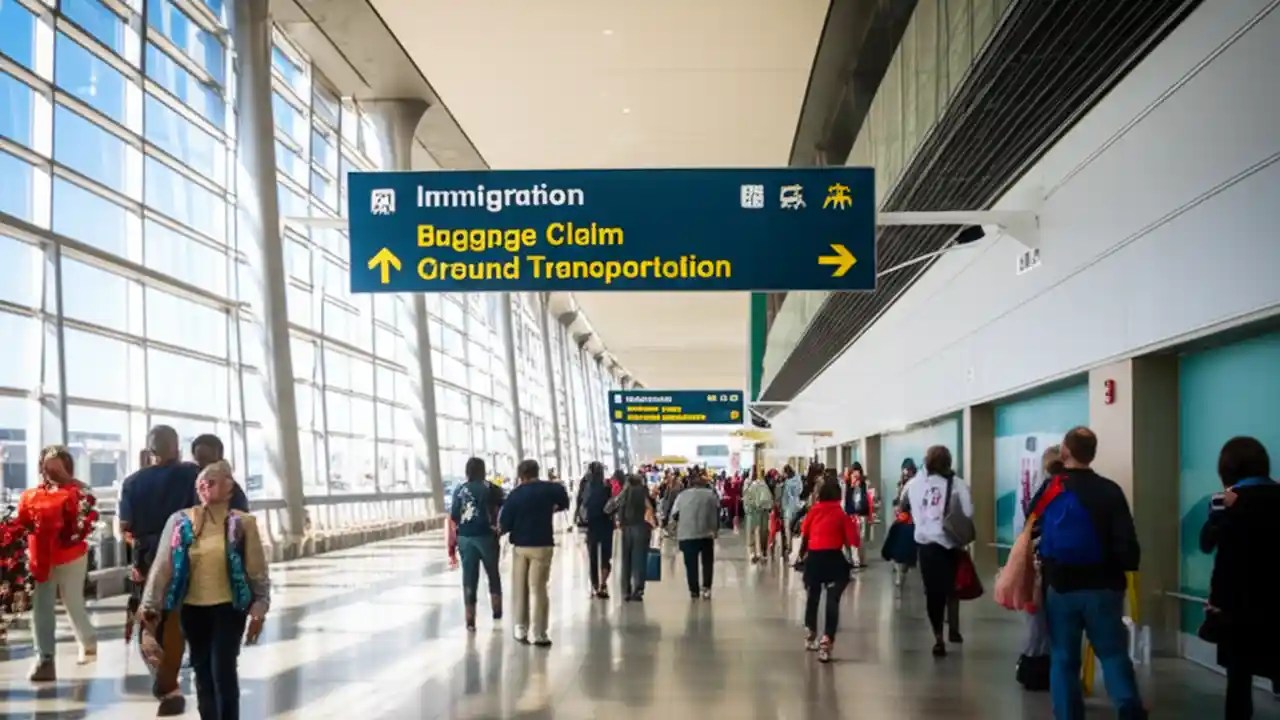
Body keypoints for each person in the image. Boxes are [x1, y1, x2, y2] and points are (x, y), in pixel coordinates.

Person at [121, 426, 247, 715]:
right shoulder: (194, 475)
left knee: (148, 623)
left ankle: (166, 685)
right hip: (190, 556)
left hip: (146, 556)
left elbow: (124, 528)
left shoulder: (132, 482)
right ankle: (176, 683)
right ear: (178, 448)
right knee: (177, 619)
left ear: (149, 450)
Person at [140, 460, 269, 720]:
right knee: (202, 672)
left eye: (211, 482)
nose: (203, 486)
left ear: (229, 488)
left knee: (223, 670)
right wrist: (149, 604)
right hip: (192, 609)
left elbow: (257, 570)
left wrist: (259, 607)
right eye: (200, 483)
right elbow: (163, 565)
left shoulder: (243, 523)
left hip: (229, 608)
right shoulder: (180, 521)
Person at [1031, 426, 1144, 719]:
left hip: (1061, 587)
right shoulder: (1110, 490)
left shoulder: (1052, 488)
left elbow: (1031, 530)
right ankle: (1128, 708)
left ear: (1065, 451)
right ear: (1093, 453)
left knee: (1064, 659)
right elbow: (1129, 550)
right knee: (1113, 654)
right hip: (1104, 588)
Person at [1199, 436, 1280, 719]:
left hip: (1237, 607)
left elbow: (1208, 544)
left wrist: (1221, 514)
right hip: (1276, 605)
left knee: (1238, 681)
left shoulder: (1228, 502)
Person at [19, 446, 98, 681]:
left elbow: (87, 517)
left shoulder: (78, 492)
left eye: (56, 464)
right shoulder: (31, 495)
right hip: (40, 559)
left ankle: (88, 643)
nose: (51, 470)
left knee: (72, 602)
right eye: (47, 464)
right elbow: (22, 525)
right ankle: (45, 659)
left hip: (71, 556)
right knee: (41, 608)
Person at [903, 445, 971, 657]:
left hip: (925, 546)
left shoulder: (913, 484)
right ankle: (954, 626)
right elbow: (969, 512)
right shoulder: (957, 484)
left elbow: (904, 504)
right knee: (952, 586)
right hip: (950, 543)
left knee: (933, 592)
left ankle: (938, 637)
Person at [500, 459, 569, 646]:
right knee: (539, 589)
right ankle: (540, 633)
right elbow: (564, 500)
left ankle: (521, 629)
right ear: (537, 472)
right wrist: (552, 508)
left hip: (521, 546)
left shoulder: (515, 495)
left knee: (520, 587)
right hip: (543, 544)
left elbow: (505, 523)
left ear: (521, 476)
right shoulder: (550, 489)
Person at [1017, 444, 1063, 692]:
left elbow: (1031, 523)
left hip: (1047, 565)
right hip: (1085, 574)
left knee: (1038, 621)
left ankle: (1039, 670)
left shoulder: (1046, 490)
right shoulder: (1092, 489)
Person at [798, 478, 858, 663]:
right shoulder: (841, 514)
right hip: (833, 559)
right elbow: (853, 540)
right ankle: (826, 640)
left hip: (814, 559)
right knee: (832, 599)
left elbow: (805, 533)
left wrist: (801, 555)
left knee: (813, 595)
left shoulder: (813, 511)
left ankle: (810, 633)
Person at [447, 457, 504, 632]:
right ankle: (497, 611)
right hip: (487, 536)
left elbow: (454, 515)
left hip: (466, 538)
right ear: (483, 470)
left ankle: (470, 620)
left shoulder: (460, 490)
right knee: (492, 574)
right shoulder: (492, 489)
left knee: (469, 578)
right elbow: (503, 508)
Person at [671, 472, 719, 599]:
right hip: (706, 533)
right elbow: (715, 512)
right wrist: (715, 529)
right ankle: (706, 588)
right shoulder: (710, 495)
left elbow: (674, 514)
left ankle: (694, 590)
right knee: (707, 562)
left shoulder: (681, 496)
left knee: (690, 564)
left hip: (687, 534)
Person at [615, 474, 657, 601]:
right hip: (641, 527)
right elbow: (651, 507)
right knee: (639, 560)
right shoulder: (643, 491)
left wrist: (621, 522)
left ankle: (625, 591)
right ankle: (637, 590)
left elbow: (619, 509)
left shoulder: (624, 493)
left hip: (626, 528)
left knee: (626, 560)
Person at [576, 461, 614, 598]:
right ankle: (603, 585)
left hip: (591, 525)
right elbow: (612, 503)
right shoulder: (607, 485)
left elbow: (579, 502)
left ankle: (594, 585)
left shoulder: (585, 485)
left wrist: (578, 518)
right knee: (605, 556)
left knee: (592, 556)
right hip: (606, 523)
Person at [743, 471, 775, 563]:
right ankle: (763, 552)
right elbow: (769, 500)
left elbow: (746, 499)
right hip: (763, 512)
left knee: (752, 532)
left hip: (752, 512)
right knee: (763, 532)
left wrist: (747, 509)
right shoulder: (763, 485)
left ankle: (753, 553)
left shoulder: (749, 485)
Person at [843, 463, 871, 569]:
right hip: (851, 515)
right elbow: (846, 501)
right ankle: (854, 560)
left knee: (861, 538)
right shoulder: (847, 485)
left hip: (861, 514)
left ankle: (860, 559)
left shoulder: (864, 485)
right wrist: (851, 486)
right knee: (852, 538)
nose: (855, 476)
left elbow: (867, 499)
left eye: (857, 473)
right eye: (853, 474)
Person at [779, 465, 803, 558]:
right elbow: (799, 492)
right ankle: (793, 547)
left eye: (783, 472)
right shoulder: (798, 480)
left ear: (786, 472)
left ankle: (789, 548)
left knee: (787, 528)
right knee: (794, 528)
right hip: (796, 507)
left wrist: (783, 508)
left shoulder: (787, 483)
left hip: (788, 509)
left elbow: (785, 498)